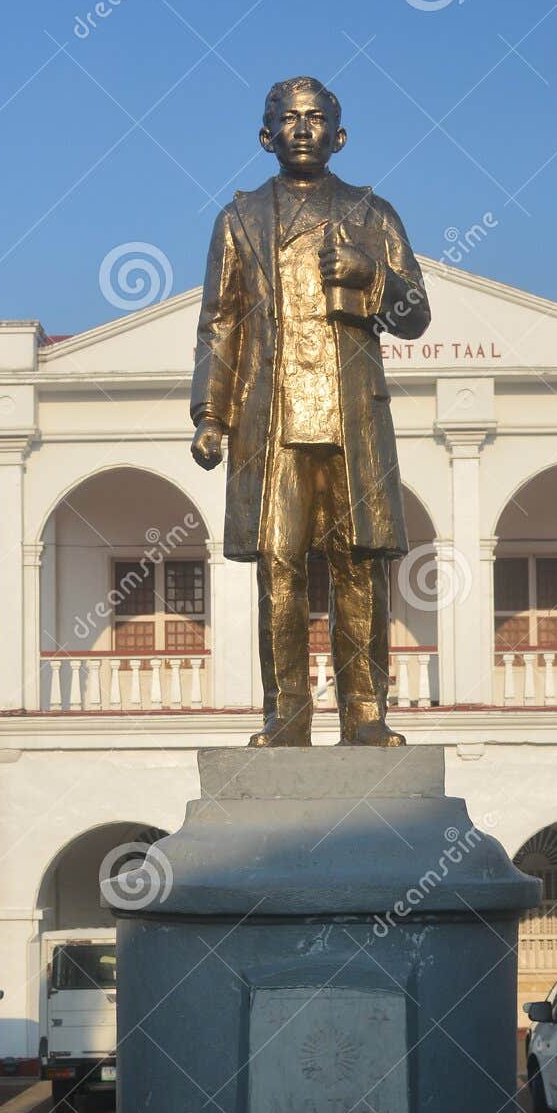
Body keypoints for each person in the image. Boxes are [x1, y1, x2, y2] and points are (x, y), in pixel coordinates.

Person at [191, 75, 430, 747]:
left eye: (316, 117)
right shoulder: (238, 220)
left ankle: (364, 711)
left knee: (360, 568)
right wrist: (210, 415)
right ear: (266, 136)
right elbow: (219, 323)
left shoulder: (371, 213)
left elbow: (414, 315)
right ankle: (287, 713)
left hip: (350, 416)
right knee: (279, 567)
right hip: (272, 422)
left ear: (339, 134)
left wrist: (369, 274)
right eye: (288, 118)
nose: (302, 128)